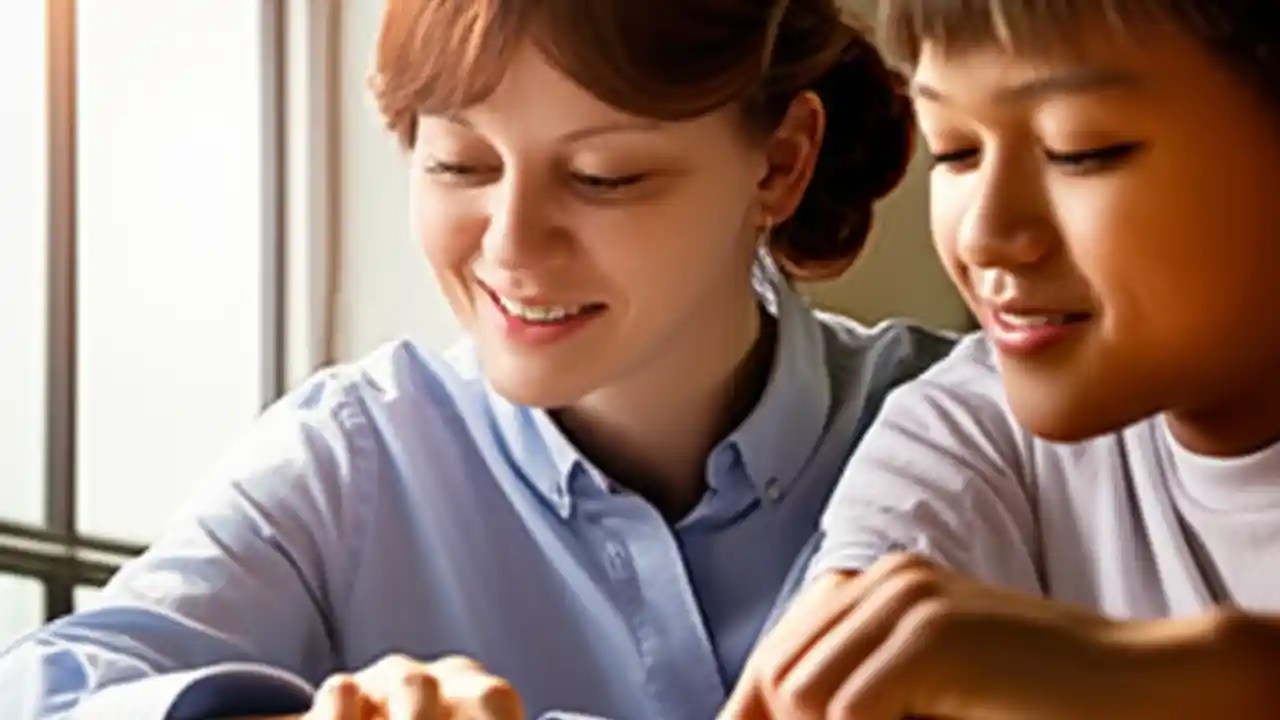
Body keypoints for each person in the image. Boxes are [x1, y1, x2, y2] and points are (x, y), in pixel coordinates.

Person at [0, 0, 955, 718]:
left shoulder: (961, 428)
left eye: (602, 177)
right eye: (459, 164)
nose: (511, 245)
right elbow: (48, 692)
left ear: (780, 164)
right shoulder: (354, 460)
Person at [723, 1, 1280, 718]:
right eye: (954, 150)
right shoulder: (967, 432)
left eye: (1081, 150)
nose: (987, 233)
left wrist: (1174, 675)